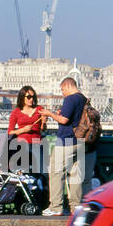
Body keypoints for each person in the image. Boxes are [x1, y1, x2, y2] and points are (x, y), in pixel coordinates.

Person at [38, 77, 88, 216]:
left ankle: (56, 207)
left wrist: (50, 114)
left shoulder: (70, 99)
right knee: (75, 176)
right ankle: (76, 207)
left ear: (67, 86)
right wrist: (60, 114)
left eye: (62, 90)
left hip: (66, 140)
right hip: (80, 141)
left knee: (56, 173)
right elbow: (73, 118)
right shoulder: (83, 99)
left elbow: (64, 120)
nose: (62, 93)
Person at [7, 85, 47, 204]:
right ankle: (22, 200)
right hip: (21, 146)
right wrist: (22, 130)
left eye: (33, 96)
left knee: (39, 172)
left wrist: (44, 123)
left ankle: (40, 200)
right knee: (23, 173)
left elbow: (43, 130)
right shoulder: (16, 112)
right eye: (28, 97)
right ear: (22, 98)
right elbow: (10, 131)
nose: (31, 99)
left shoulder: (39, 109)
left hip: (36, 143)